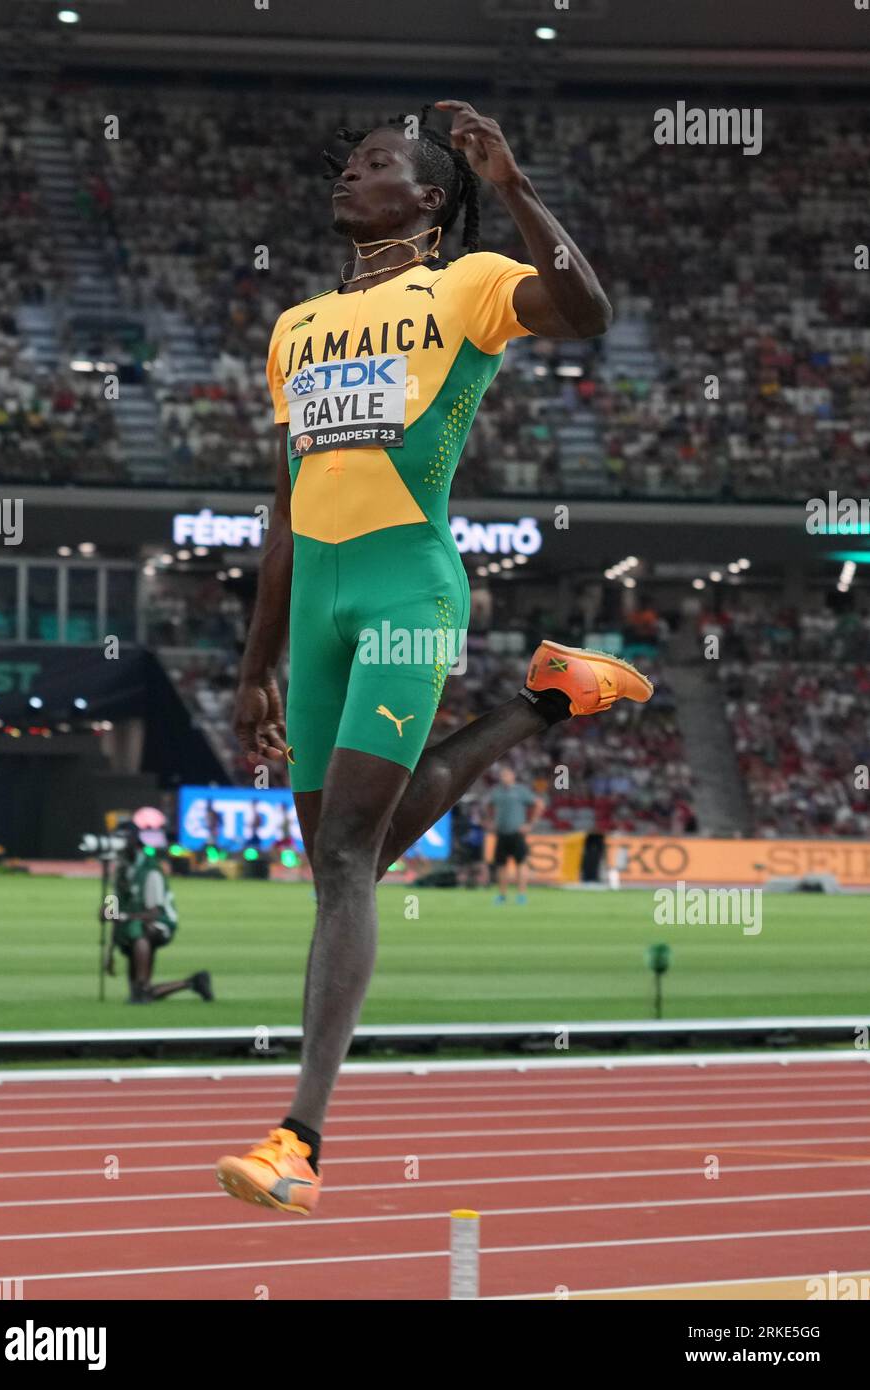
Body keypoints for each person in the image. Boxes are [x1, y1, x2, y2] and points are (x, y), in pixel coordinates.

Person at [216, 100, 652, 1215]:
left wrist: (511, 184)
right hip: (315, 601)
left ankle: (298, 1139)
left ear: (425, 198)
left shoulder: (464, 284)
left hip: (409, 583)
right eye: (347, 165)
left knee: (352, 850)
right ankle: (545, 699)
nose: (344, 178)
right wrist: (255, 663)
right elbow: (280, 509)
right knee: (338, 854)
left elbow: (589, 312)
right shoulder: (297, 324)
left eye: (371, 166)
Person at [103, 821, 213, 1004]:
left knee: (139, 929)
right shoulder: (121, 870)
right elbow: (113, 906)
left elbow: (154, 912)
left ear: (133, 842)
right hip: (134, 923)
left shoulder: (150, 870)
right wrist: (110, 951)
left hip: (161, 922)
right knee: (138, 994)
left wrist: (123, 916)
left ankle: (143, 985)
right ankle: (193, 982)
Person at [487, 765, 543, 904]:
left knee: (521, 863)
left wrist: (530, 824)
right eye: (502, 775)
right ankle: (502, 895)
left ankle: (521, 895)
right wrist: (491, 821)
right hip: (501, 833)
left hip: (517, 833)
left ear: (513, 776)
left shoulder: (520, 791)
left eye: (506, 774)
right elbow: (489, 805)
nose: (503, 777)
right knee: (501, 865)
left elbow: (538, 804)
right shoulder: (497, 791)